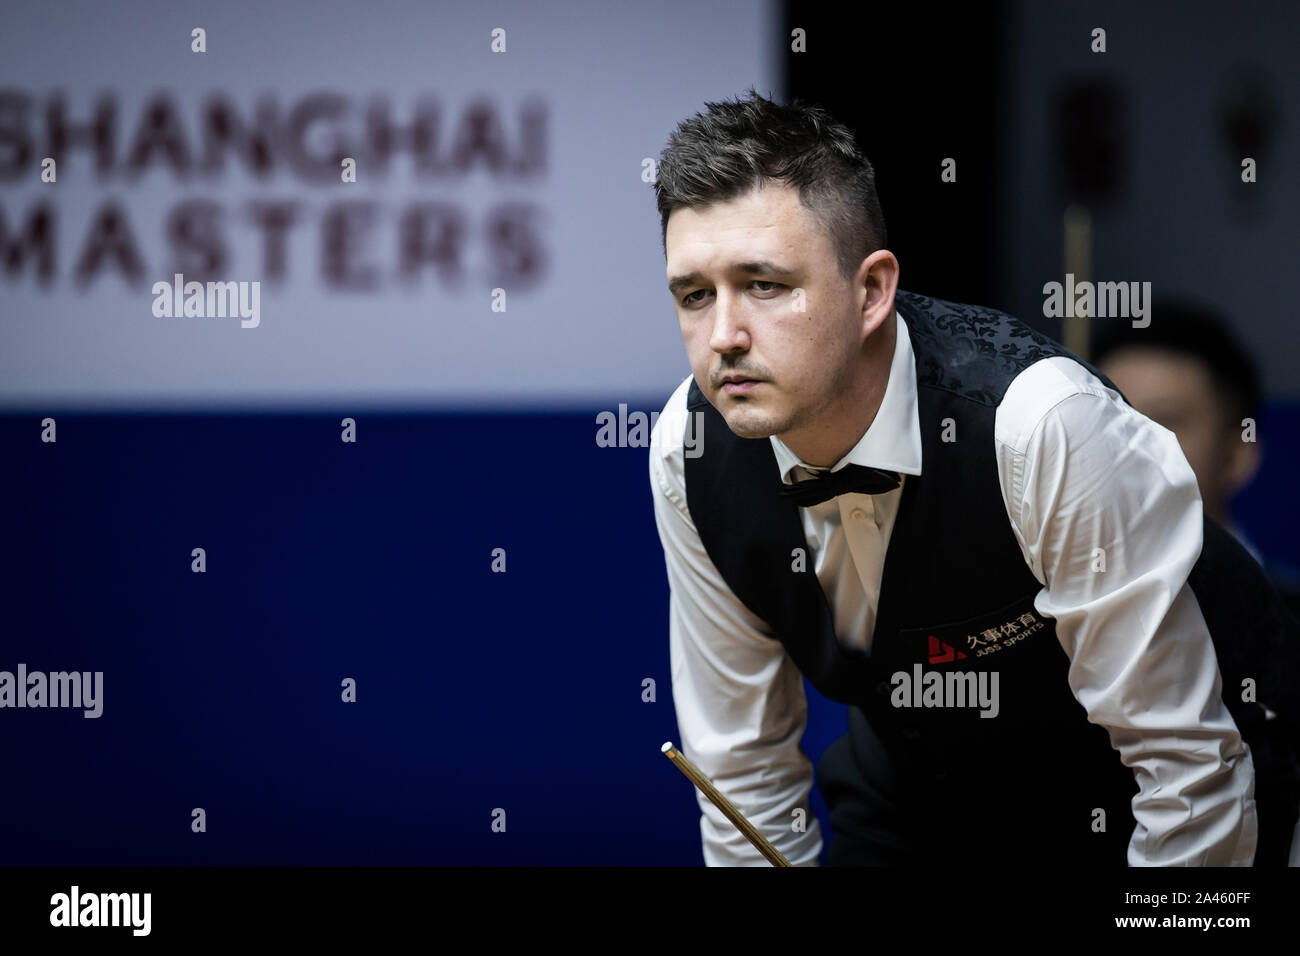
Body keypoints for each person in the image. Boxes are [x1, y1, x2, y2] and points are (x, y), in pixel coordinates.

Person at [647, 89, 1300, 866]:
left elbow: (1188, 774)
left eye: (764, 285)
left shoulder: (1041, 423)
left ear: (871, 292)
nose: (722, 335)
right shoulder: (688, 450)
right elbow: (741, 771)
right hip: (916, 798)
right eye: (694, 295)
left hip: (1143, 797)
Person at [1093, 302, 1300, 865]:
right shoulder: (1031, 622)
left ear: (1239, 451)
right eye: (1110, 422)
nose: (1129, 451)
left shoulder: (1293, 628)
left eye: (1163, 422)